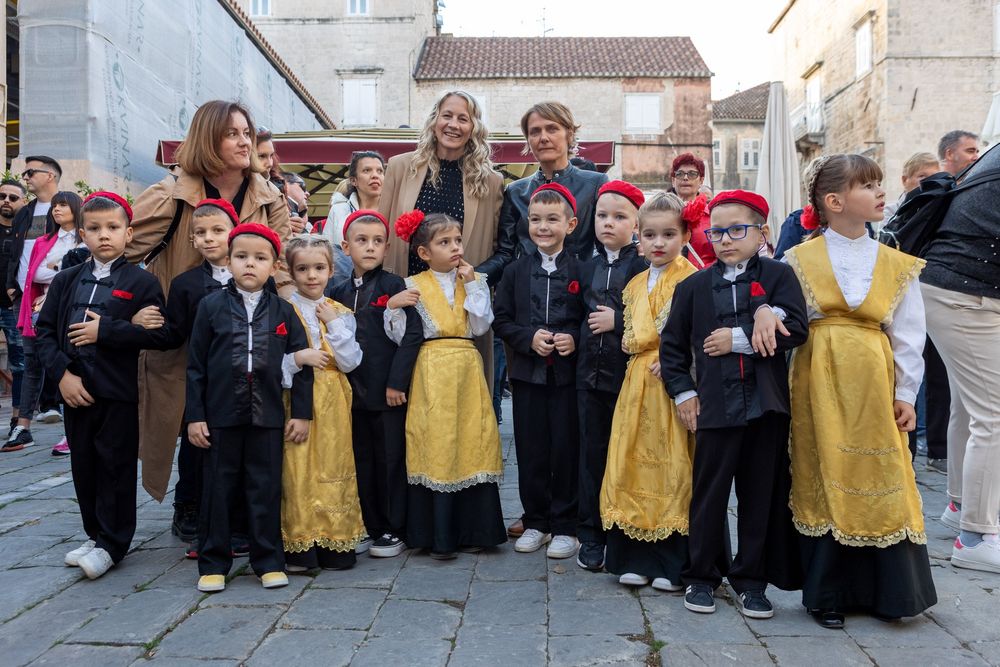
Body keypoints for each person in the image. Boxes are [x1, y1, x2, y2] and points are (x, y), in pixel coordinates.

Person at [785, 154, 937, 626]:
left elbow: (909, 334)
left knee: (880, 469)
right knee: (825, 468)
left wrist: (906, 394)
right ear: (834, 202)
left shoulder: (895, 263)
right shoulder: (798, 259)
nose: (880, 191)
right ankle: (828, 591)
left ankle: (888, 591)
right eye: (867, 185)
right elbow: (788, 315)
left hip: (874, 382)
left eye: (878, 183)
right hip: (818, 382)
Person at [126, 99, 292, 505]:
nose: (244, 142)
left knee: (244, 421)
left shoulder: (270, 197)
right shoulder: (170, 194)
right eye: (232, 134)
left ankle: (235, 512)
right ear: (207, 139)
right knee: (192, 422)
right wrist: (131, 307)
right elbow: (119, 250)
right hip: (184, 334)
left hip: (250, 334)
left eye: (247, 133)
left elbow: (284, 265)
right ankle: (189, 506)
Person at [661, 189, 809, 619]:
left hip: (766, 407)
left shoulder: (780, 276)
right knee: (708, 494)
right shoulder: (692, 287)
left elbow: (798, 328)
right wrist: (684, 393)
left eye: (737, 230)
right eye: (717, 232)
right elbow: (672, 348)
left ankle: (751, 580)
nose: (725, 239)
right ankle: (701, 575)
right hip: (714, 407)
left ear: (762, 232)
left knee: (759, 495)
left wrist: (739, 339)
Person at [34, 192, 170, 579]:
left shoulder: (143, 283)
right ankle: (94, 535)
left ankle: (113, 543)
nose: (104, 235)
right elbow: (45, 332)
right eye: (94, 229)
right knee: (84, 466)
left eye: (113, 227)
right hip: (74, 392)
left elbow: (160, 336)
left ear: (129, 233)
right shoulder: (65, 280)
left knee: (115, 467)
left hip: (118, 393)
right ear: (82, 234)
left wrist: (108, 330)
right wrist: (62, 375)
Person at [185, 223, 312, 594]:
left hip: (268, 415)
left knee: (265, 488)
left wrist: (301, 413)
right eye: (241, 257)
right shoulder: (210, 307)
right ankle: (213, 563)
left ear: (275, 266)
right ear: (229, 261)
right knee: (217, 489)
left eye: (259, 258)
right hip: (221, 415)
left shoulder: (284, 311)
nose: (250, 264)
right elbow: (195, 367)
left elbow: (301, 364)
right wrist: (195, 416)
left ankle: (268, 561)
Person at [384, 210, 505, 559]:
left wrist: (473, 284)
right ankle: (437, 533)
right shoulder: (412, 285)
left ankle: (476, 529)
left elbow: (481, 326)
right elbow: (400, 336)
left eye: (458, 240)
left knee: (471, 438)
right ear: (424, 252)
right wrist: (392, 308)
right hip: (431, 368)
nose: (455, 248)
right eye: (445, 242)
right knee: (435, 440)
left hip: (466, 367)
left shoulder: (472, 280)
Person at [128, 199, 240, 550]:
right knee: (196, 446)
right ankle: (187, 506)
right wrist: (136, 324)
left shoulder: (252, 276)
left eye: (217, 230)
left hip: (244, 379)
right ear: (192, 240)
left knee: (239, 446)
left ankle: (237, 514)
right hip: (203, 379)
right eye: (200, 233)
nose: (209, 238)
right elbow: (173, 334)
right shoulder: (186, 284)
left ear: (233, 233)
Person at [601, 190, 697, 590]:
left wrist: (679, 361)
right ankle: (633, 556)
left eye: (669, 235)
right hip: (637, 383)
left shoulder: (693, 279)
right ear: (638, 237)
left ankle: (671, 563)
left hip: (672, 387)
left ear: (685, 236)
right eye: (650, 235)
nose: (659, 243)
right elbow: (630, 337)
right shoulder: (635, 283)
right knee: (632, 461)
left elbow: (699, 332)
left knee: (671, 466)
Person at [379, 90, 504, 392]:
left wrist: (475, 281)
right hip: (406, 294)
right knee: (400, 390)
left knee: (455, 394)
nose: (453, 125)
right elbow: (381, 233)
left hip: (457, 307)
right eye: (447, 115)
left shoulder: (490, 181)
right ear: (435, 119)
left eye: (463, 119)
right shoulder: (399, 167)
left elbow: (497, 246)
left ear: (474, 127)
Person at [493, 183, 586, 560]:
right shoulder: (515, 271)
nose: (543, 227)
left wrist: (574, 338)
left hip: (567, 379)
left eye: (552, 219)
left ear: (570, 224)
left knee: (566, 448)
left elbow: (589, 317)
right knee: (531, 450)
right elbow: (501, 320)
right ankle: (536, 521)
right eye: (535, 220)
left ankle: (565, 525)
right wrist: (528, 338)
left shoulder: (583, 270)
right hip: (527, 376)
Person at [921, 141, 1000, 574]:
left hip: (949, 286)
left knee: (970, 406)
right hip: (965, 295)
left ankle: (959, 505)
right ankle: (976, 537)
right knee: (994, 414)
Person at [328, 210, 421, 559]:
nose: (370, 247)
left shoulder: (394, 285)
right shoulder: (336, 291)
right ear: (345, 246)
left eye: (377, 241)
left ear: (387, 248)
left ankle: (394, 527)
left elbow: (411, 335)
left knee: (389, 459)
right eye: (362, 240)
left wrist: (397, 383)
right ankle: (368, 523)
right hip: (351, 391)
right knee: (361, 459)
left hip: (386, 390)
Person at [575, 181, 649, 572]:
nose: (609, 223)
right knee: (591, 454)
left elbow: (655, 316)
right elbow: (575, 315)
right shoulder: (585, 265)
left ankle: (622, 527)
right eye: (602, 215)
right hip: (588, 377)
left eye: (619, 217)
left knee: (625, 454)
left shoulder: (643, 266)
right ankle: (591, 532)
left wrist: (617, 321)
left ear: (636, 224)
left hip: (628, 378)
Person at [281, 235, 366, 571]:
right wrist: (297, 359)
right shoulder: (283, 310)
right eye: (302, 269)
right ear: (291, 272)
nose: (311, 275)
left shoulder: (340, 312)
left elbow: (350, 361)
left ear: (331, 270)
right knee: (298, 467)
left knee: (334, 463)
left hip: (333, 398)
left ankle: (336, 540)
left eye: (319, 267)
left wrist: (332, 322)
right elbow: (273, 361)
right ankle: (301, 543)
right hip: (296, 397)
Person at [480, 101, 608, 286]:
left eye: (552, 129)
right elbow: (506, 254)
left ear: (569, 134)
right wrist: (473, 277)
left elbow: (609, 245)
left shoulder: (595, 184)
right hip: (528, 293)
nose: (543, 137)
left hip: (579, 292)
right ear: (528, 140)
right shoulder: (515, 191)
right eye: (535, 132)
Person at [4, 191, 84, 454]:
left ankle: (71, 433)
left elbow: (81, 272)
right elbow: (35, 273)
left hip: (72, 311)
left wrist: (56, 270)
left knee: (70, 365)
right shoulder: (44, 241)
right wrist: (60, 268)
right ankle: (22, 427)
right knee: (31, 365)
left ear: (76, 208)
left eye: (63, 205)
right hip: (40, 311)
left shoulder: (86, 238)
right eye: (55, 205)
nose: (56, 209)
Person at [325, 151, 385, 279]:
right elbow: (327, 251)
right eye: (367, 170)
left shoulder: (393, 209)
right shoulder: (338, 210)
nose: (375, 175)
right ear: (353, 180)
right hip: (344, 281)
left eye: (380, 171)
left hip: (386, 281)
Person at [0, 180, 27, 438]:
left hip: (12, 306)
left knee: (19, 364)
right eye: (2, 196)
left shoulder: (26, 233)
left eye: (13, 197)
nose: (6, 201)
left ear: (23, 202)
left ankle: (17, 419)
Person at [670, 153, 716, 268]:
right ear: (673, 181)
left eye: (692, 174)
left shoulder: (714, 217)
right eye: (680, 174)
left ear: (701, 181)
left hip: (706, 276)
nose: (685, 178)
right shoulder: (663, 214)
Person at [883, 152, 940, 219]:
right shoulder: (890, 211)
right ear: (905, 180)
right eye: (922, 176)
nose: (930, 181)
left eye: (934, 177)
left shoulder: (941, 207)